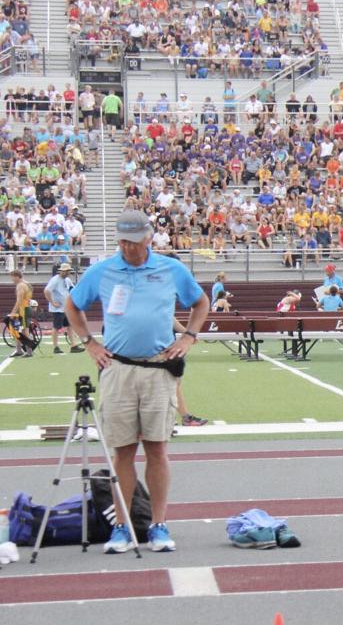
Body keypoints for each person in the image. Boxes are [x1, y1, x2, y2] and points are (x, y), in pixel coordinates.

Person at [64, 209, 209, 554]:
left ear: (148, 238)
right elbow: (72, 305)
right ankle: (122, 526)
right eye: (122, 242)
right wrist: (89, 343)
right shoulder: (103, 270)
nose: (127, 248)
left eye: (133, 241)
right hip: (118, 369)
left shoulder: (170, 269)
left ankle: (158, 524)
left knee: (157, 448)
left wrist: (188, 336)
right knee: (123, 451)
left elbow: (200, 302)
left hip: (159, 368)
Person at [44, 263, 83, 354]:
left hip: (66, 307)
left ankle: (73, 345)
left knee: (69, 326)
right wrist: (52, 302)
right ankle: (56, 347)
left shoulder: (67, 280)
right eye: (66, 271)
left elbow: (72, 289)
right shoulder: (55, 280)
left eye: (68, 271)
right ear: (62, 271)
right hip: (58, 309)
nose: (68, 273)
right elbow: (46, 291)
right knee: (56, 327)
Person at [7, 269, 36, 357]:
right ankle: (19, 350)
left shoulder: (20, 285)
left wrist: (13, 313)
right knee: (17, 330)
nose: (12, 280)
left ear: (16, 276)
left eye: (12, 277)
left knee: (24, 331)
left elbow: (19, 301)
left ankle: (29, 351)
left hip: (23, 309)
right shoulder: (27, 283)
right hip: (27, 307)